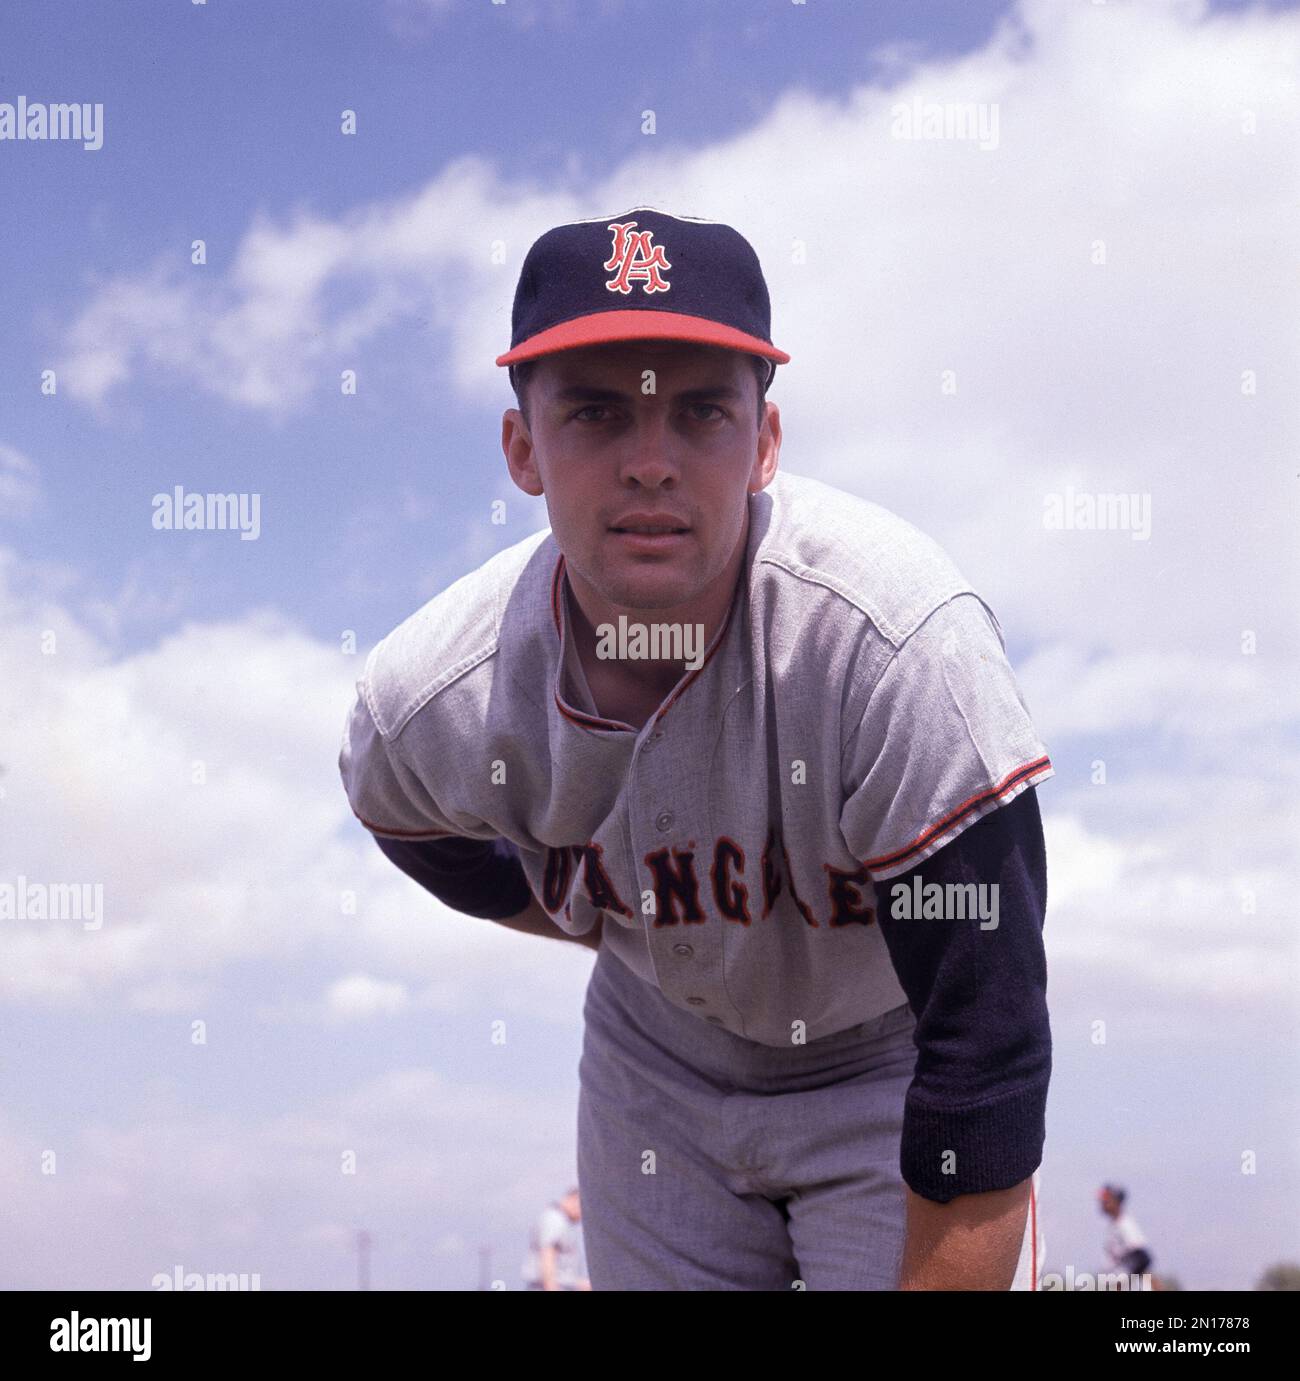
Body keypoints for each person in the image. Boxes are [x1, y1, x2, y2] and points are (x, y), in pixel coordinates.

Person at [339, 206, 1055, 1290]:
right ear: (521, 448)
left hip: (883, 1055)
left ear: (765, 442)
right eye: (592, 413)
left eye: (700, 412)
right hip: (656, 1063)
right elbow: (406, 821)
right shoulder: (434, 693)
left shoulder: (895, 642)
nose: (650, 464)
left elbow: (986, 1050)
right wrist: (616, 929)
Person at [522, 1187, 590, 1291]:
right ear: (574, 1200)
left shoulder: (560, 1221)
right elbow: (547, 1255)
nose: (583, 1215)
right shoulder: (555, 1220)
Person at [1098, 1184, 1154, 1290]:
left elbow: (1142, 1259)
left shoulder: (1125, 1225)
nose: (1103, 1203)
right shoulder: (1114, 1225)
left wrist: (1121, 1283)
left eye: (1106, 1200)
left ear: (1116, 1201)